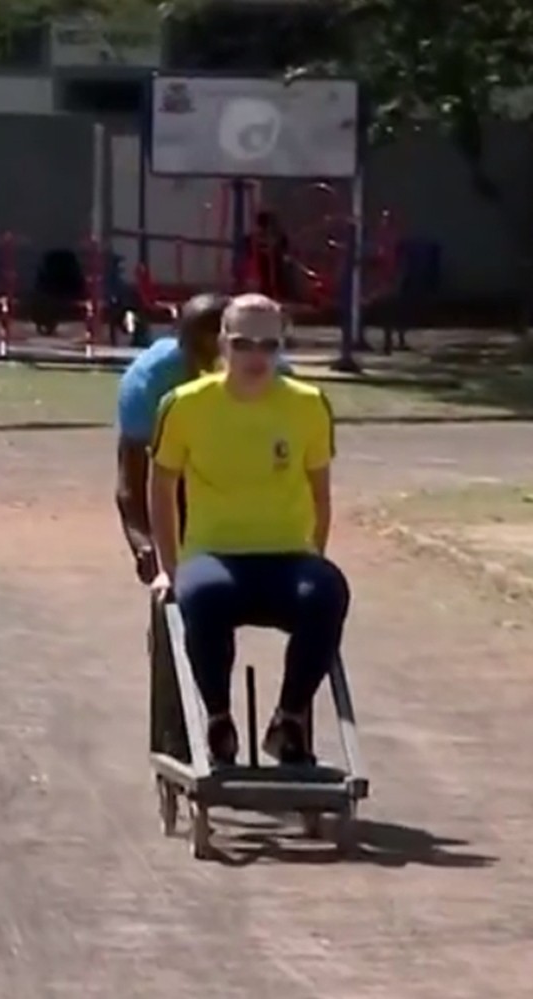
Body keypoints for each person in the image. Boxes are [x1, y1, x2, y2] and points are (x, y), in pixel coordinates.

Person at [147, 293, 349, 767]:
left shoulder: (308, 405)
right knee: (205, 595)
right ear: (222, 344)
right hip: (214, 554)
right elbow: (160, 488)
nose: (256, 358)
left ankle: (289, 719)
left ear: (282, 347)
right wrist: (168, 568)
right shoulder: (185, 405)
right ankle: (219, 721)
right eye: (243, 344)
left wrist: (315, 556)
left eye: (268, 346)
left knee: (326, 592)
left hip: (286, 556)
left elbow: (320, 494)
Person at [117, 292, 294, 583]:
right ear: (181, 344)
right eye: (198, 351)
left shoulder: (273, 377)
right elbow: (131, 480)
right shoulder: (146, 382)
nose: (210, 363)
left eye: (221, 352)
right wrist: (142, 541)